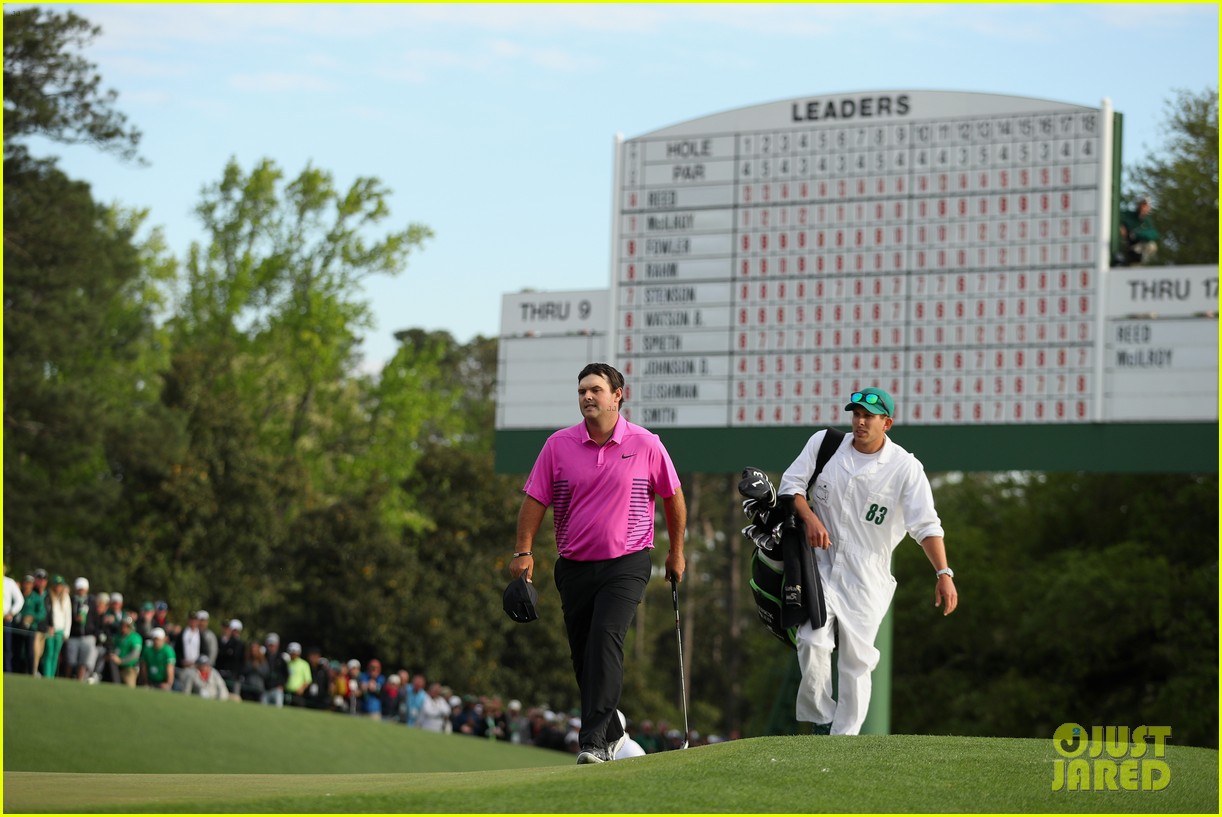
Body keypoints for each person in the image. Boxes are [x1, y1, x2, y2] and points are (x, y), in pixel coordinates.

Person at [512, 362, 686, 765]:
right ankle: (614, 731)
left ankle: (593, 742)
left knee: (606, 637)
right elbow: (535, 501)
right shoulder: (558, 445)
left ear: (618, 395)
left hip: (627, 562)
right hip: (573, 566)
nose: (587, 397)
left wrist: (676, 552)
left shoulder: (645, 443)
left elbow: (673, 498)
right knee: (583, 656)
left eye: (595, 390)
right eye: (581, 392)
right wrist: (523, 552)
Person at [778, 386, 958, 736]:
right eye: (856, 414)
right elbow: (791, 486)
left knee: (856, 662)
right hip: (822, 563)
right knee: (812, 640)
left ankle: (843, 741)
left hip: (868, 574)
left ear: (886, 423)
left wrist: (943, 572)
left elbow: (926, 525)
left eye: (869, 416)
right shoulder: (825, 445)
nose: (860, 422)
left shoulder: (905, 467)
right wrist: (811, 518)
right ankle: (822, 719)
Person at [66, 577, 100, 681]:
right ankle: (66, 680)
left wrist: (95, 634)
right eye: (79, 589)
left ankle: (79, 681)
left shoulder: (92, 602)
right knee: (70, 661)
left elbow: (96, 619)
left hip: (88, 636)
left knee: (83, 662)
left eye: (83, 589)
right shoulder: (70, 601)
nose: (81, 591)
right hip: (73, 635)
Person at [1120, 197, 1160, 265]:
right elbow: (1119, 219)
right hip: (1127, 245)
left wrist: (1136, 234)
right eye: (1142, 205)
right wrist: (1122, 227)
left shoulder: (1147, 220)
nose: (1143, 207)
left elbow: (1154, 234)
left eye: (1145, 206)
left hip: (1139, 247)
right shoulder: (1129, 215)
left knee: (1152, 246)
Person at [109, 616, 144, 687]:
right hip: (115, 667)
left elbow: (135, 655)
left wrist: (121, 661)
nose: (123, 628)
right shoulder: (117, 636)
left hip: (129, 668)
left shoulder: (135, 637)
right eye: (122, 625)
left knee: (129, 687)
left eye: (126, 626)